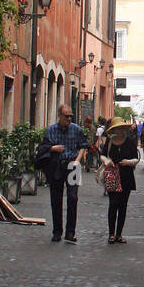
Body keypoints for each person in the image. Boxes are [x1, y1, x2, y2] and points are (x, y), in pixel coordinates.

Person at [42, 103, 87, 242]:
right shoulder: (50, 131)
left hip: (73, 166)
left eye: (70, 116)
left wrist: (78, 161)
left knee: (73, 198)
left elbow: (83, 146)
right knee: (56, 199)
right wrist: (53, 148)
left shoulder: (76, 129)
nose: (69, 119)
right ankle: (57, 231)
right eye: (66, 116)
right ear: (59, 116)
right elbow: (43, 148)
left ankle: (70, 232)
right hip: (57, 166)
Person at [99, 117, 140, 243]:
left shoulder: (130, 141)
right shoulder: (110, 141)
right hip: (112, 175)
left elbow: (136, 158)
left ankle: (119, 234)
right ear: (114, 129)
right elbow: (102, 155)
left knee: (123, 206)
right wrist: (107, 161)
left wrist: (128, 162)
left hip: (126, 176)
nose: (119, 130)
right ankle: (111, 234)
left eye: (121, 128)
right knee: (113, 204)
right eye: (117, 128)